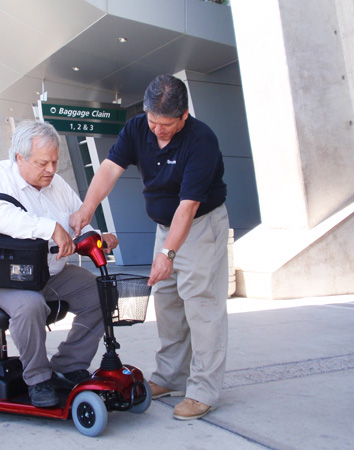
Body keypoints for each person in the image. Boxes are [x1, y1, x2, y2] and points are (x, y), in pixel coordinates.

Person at [70, 74, 229, 421]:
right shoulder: (136, 128)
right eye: (153, 121)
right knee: (168, 303)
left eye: (167, 124)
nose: (158, 130)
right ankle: (170, 376)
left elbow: (188, 207)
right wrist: (86, 208)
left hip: (201, 227)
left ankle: (203, 390)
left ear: (184, 116)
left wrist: (167, 254)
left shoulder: (201, 140)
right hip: (165, 226)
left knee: (202, 306)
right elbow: (109, 169)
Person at [0, 120, 118, 408]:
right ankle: (38, 378)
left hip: (49, 272)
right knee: (30, 305)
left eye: (55, 161)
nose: (51, 169)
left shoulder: (56, 183)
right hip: (1, 278)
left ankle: (68, 363)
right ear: (20, 158)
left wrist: (98, 236)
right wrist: (48, 228)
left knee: (103, 291)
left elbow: (77, 222)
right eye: (42, 162)